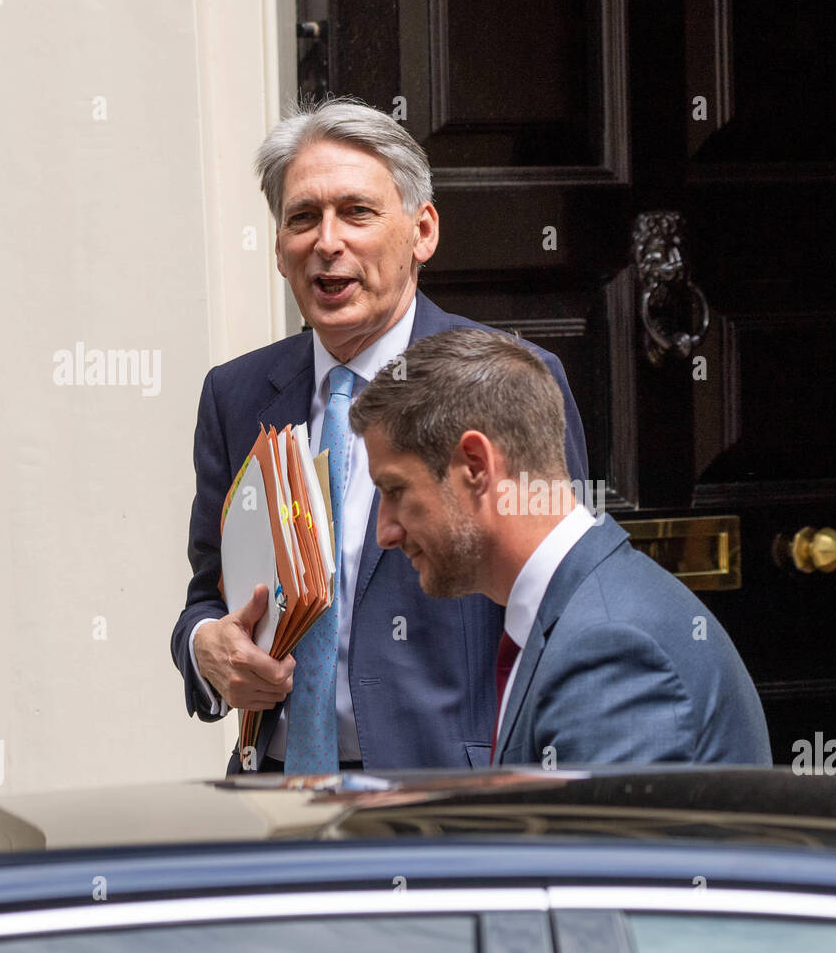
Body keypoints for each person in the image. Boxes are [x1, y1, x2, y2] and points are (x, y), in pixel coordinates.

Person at [170, 100, 587, 773]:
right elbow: (207, 594)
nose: (326, 242)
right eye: (302, 217)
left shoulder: (510, 381)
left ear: (422, 231)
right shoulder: (236, 394)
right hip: (275, 798)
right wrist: (204, 648)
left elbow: (559, 604)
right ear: (279, 248)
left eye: (356, 213)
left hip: (447, 803)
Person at [349, 328, 771, 766]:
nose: (385, 531)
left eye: (395, 489)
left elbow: (595, 836)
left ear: (475, 465)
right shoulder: (573, 610)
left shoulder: (609, 647)